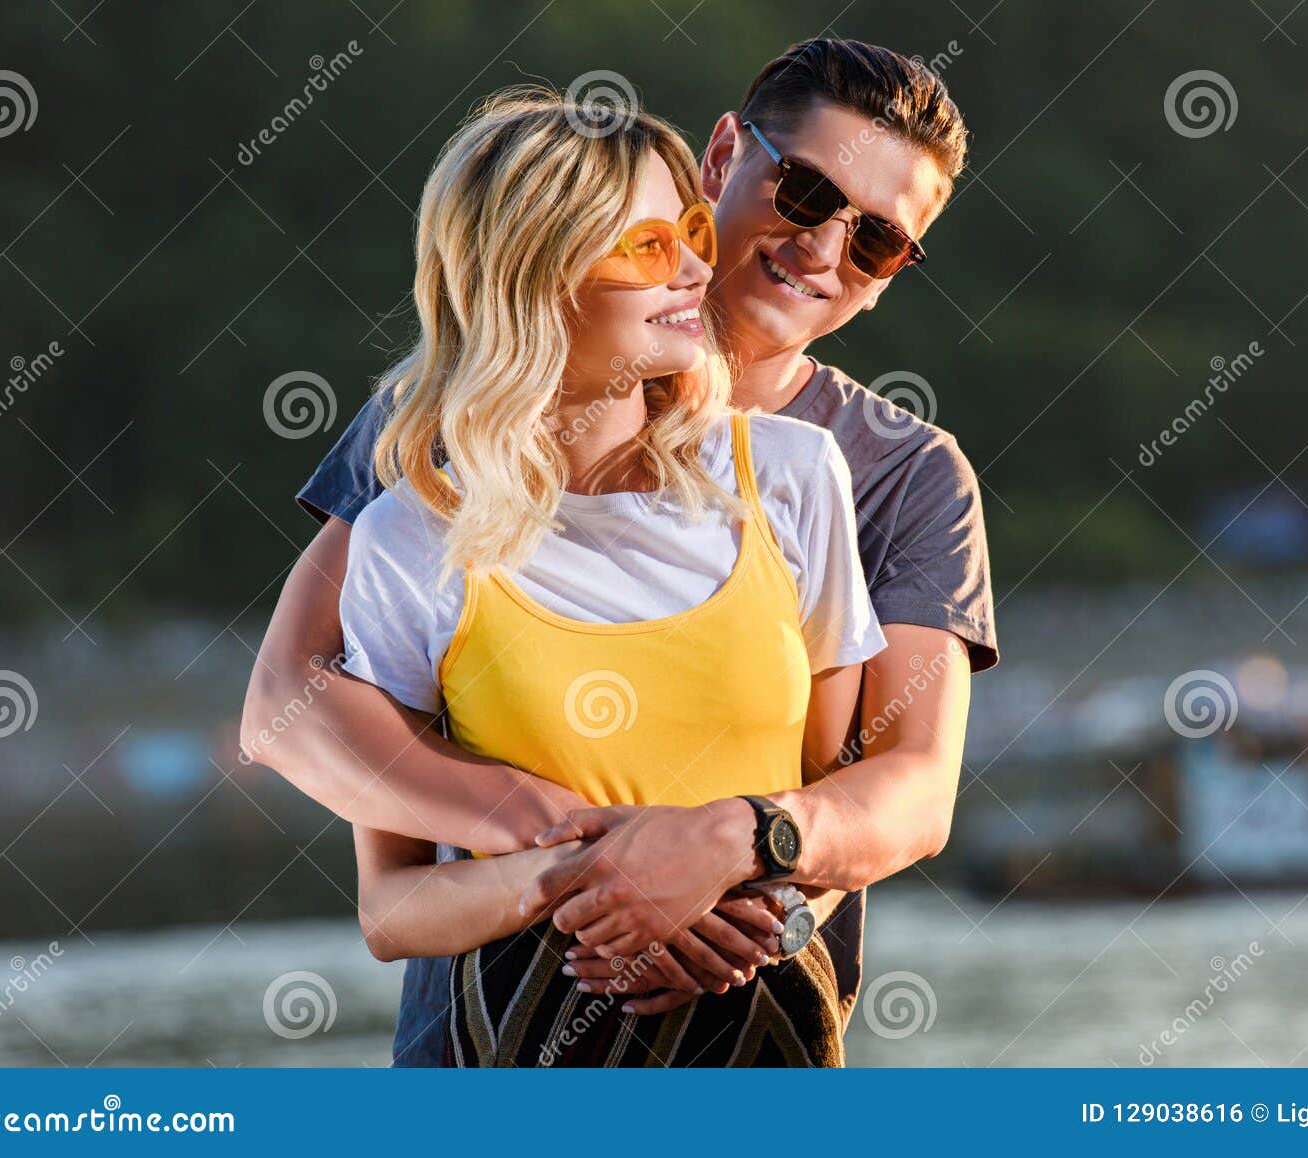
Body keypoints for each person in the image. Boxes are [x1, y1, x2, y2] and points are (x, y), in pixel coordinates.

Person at [241, 38, 999, 1065]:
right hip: (488, 1044)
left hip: (746, 1030)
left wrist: (738, 877)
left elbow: (901, 785)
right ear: (724, 153)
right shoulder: (439, 423)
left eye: (877, 243)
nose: (825, 247)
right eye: (809, 190)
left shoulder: (886, 471)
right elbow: (291, 698)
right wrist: (568, 846)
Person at [336, 88, 883, 1065]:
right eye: (643, 247)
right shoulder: (409, 538)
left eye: (689, 230)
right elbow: (391, 909)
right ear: (531, 275)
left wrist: (756, 908)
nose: (691, 269)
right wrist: (607, 885)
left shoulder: (794, 478)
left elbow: (838, 803)